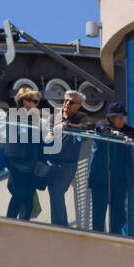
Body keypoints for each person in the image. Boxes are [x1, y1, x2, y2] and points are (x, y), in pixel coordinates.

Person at [89, 102, 134, 234]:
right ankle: (97, 240)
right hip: (101, 178)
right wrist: (120, 136)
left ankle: (115, 240)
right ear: (109, 117)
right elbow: (104, 131)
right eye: (114, 117)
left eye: (120, 117)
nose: (117, 120)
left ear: (125, 118)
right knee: (98, 213)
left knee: (118, 214)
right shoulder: (102, 124)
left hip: (120, 179)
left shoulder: (128, 130)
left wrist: (124, 136)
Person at [46, 90, 89, 226]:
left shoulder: (81, 116)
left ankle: (61, 224)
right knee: (53, 192)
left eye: (71, 102)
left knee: (57, 190)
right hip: (51, 161)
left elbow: (83, 128)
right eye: (65, 100)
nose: (67, 104)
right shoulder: (54, 116)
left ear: (78, 106)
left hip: (68, 164)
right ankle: (58, 223)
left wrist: (65, 126)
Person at [4, 87, 46, 221]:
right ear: (26, 101)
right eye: (34, 101)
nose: (37, 104)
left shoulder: (34, 118)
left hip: (31, 161)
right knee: (20, 194)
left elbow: (39, 141)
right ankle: (9, 221)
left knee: (28, 195)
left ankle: (22, 223)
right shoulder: (15, 114)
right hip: (18, 160)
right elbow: (19, 135)